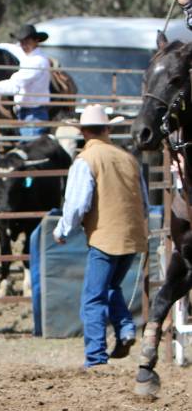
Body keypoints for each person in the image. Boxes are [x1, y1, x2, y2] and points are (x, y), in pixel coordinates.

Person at [52, 104, 148, 368]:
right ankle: (126, 328)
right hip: (132, 237)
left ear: (83, 132)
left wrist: (62, 230)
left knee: (93, 298)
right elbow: (145, 203)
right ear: (108, 129)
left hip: (104, 238)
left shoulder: (86, 161)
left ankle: (96, 358)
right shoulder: (128, 158)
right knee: (111, 287)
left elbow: (77, 205)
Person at [0, 23, 53, 137]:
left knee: (30, 148)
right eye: (21, 42)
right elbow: (13, 48)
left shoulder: (37, 61)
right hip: (28, 112)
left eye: (27, 41)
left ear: (36, 40)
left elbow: (15, 85)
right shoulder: (30, 56)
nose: (23, 45)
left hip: (33, 114)